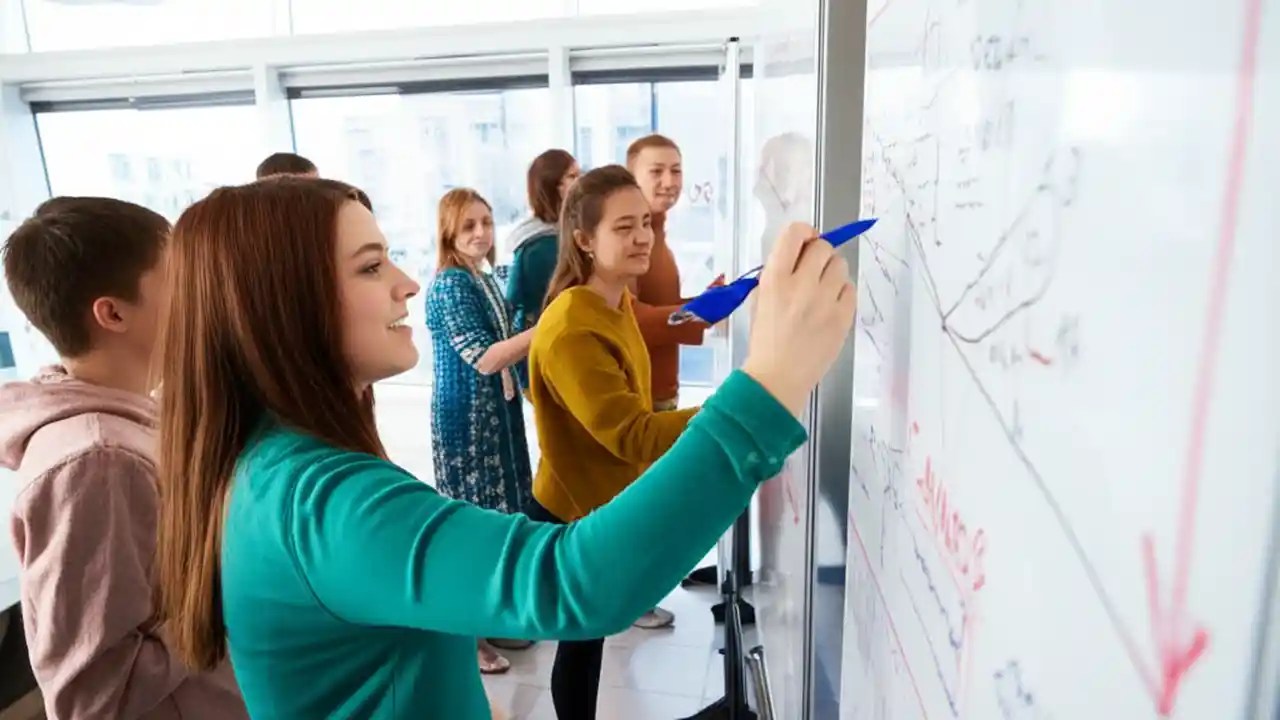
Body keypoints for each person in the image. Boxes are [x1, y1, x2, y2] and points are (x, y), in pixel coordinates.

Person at [151, 176, 854, 720]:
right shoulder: (322, 500)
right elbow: (576, 583)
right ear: (284, 304)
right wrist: (770, 387)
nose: (406, 282)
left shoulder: (272, 465)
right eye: (370, 267)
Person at [0, 197, 247, 719]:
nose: (199, 300)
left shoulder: (128, 429)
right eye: (179, 281)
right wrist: (235, 589)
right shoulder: (97, 461)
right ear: (112, 313)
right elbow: (92, 695)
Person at [520, 164, 700, 717]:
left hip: (601, 503)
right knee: (579, 649)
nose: (643, 236)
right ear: (584, 239)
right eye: (624, 227)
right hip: (574, 511)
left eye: (644, 222)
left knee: (588, 642)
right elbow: (632, 434)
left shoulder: (612, 299)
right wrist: (734, 407)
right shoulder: (575, 324)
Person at [424, 187, 535, 673]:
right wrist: (551, 326)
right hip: (466, 421)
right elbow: (487, 358)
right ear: (449, 231)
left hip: (498, 415)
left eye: (486, 223)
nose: (480, 233)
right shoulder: (451, 284)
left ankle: (495, 620)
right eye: (468, 225)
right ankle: (470, 637)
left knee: (502, 515)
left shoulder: (485, 276)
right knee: (471, 527)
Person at [624, 134, 727, 604]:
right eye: (657, 171)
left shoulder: (657, 233)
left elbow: (659, 310)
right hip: (637, 392)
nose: (669, 181)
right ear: (633, 177)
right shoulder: (631, 240)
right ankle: (630, 597)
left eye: (677, 170)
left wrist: (701, 304)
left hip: (660, 383)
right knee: (637, 504)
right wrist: (700, 311)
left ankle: (636, 594)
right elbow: (633, 319)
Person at [504, 149, 580, 391]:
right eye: (573, 176)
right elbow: (521, 303)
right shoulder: (542, 245)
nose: (581, 181)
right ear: (553, 186)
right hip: (551, 360)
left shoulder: (558, 234)